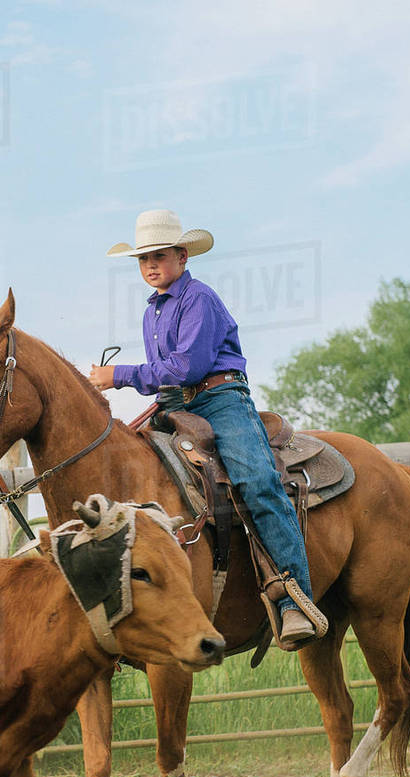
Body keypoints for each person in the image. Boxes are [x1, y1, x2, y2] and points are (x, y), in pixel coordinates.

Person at [89, 209, 327, 647]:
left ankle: (295, 599)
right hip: (181, 403)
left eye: (159, 256)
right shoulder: (153, 312)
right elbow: (168, 377)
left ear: (182, 256)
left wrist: (118, 374)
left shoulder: (199, 298)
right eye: (143, 260)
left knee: (258, 483)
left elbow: (187, 366)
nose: (151, 266)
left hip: (222, 400)